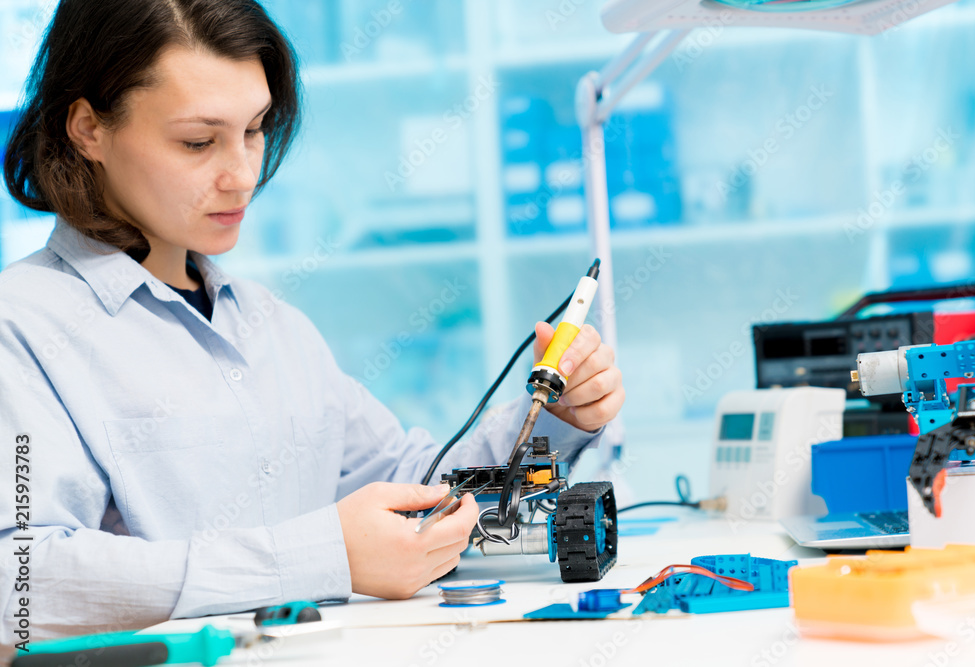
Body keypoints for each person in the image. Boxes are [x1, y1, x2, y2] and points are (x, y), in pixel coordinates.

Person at [0, 0, 625, 644]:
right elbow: (20, 581)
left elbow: (417, 487)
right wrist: (320, 557)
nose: (243, 174)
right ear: (87, 129)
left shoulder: (274, 328)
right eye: (197, 141)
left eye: (254, 129)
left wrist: (557, 413)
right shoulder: (21, 327)